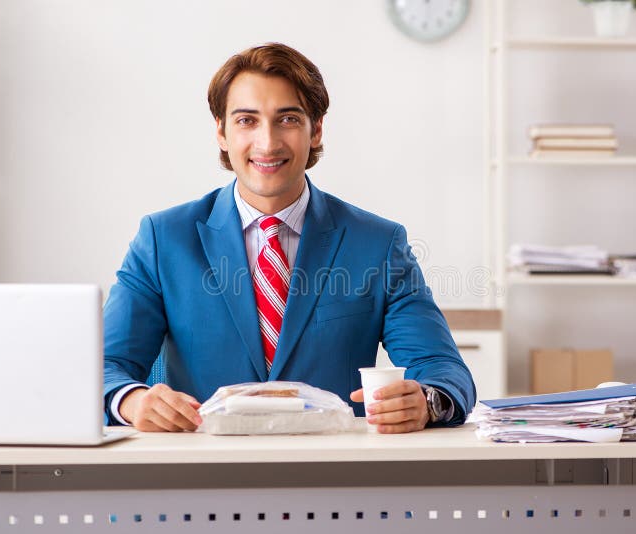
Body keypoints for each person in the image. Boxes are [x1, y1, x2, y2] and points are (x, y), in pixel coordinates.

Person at [103, 42, 476, 434]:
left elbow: (443, 369)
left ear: (316, 130)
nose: (267, 143)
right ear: (221, 132)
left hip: (333, 464)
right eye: (247, 120)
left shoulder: (378, 245)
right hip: (204, 463)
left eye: (288, 119)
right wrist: (133, 401)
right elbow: (105, 367)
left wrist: (426, 401)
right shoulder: (163, 240)